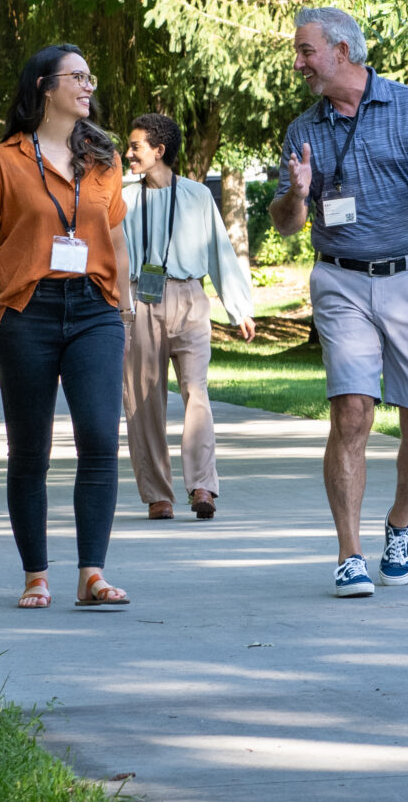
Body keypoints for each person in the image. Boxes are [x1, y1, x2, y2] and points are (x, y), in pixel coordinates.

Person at [268, 7, 408, 597]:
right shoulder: (302, 129)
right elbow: (285, 222)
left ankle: (400, 524)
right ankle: (349, 553)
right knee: (352, 412)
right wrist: (297, 198)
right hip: (341, 280)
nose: (299, 63)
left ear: (341, 51)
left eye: (306, 51)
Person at [0, 44, 133, 611]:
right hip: (26, 312)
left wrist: (124, 303)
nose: (89, 86)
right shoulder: (4, 160)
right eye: (77, 77)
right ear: (44, 87)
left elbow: (117, 239)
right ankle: (36, 574)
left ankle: (92, 574)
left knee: (101, 440)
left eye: (91, 76)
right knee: (30, 451)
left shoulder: (103, 159)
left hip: (94, 310)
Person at [121, 113, 257, 520]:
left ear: (158, 151)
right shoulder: (125, 198)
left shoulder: (197, 195)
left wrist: (239, 308)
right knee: (143, 401)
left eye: (135, 147)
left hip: (190, 297)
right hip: (141, 299)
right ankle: (157, 495)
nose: (128, 153)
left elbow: (219, 251)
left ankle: (203, 487)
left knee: (197, 393)